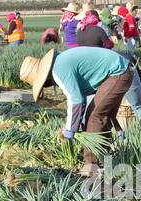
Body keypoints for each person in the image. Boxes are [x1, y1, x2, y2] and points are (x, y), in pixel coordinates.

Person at [19, 47, 133, 178]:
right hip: (121, 70)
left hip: (118, 72)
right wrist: (78, 125)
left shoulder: (58, 70)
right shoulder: (61, 61)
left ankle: (92, 165)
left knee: (94, 116)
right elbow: (82, 100)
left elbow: (76, 100)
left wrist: (70, 130)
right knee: (99, 114)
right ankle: (103, 160)